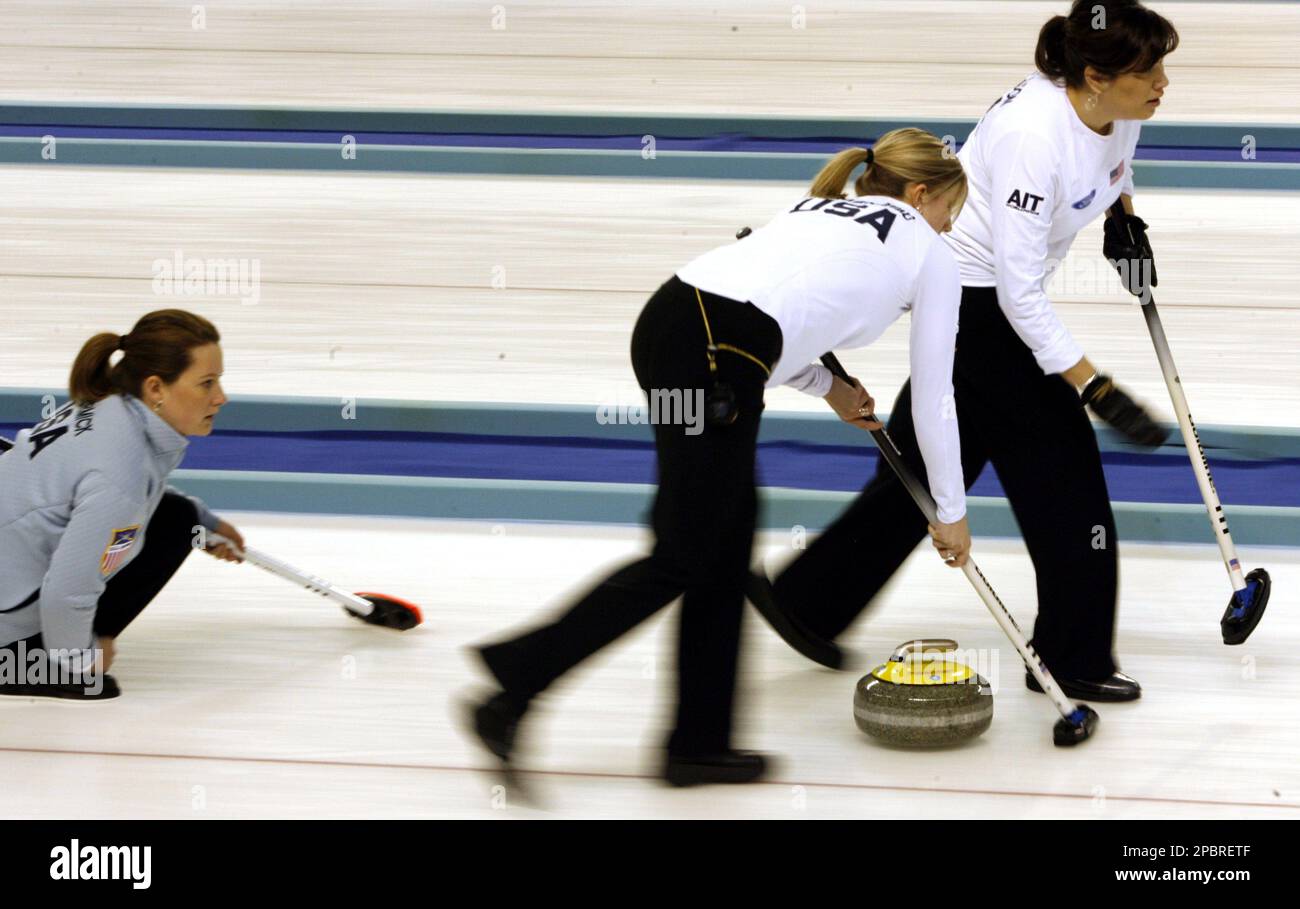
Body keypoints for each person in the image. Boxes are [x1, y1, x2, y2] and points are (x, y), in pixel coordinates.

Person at [467, 127, 972, 787]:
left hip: (672, 333)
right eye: (948, 217)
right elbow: (935, 398)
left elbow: (779, 314)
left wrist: (830, 386)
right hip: (714, 365)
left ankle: (699, 743)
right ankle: (516, 681)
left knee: (721, 543)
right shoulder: (930, 257)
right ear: (919, 193)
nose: (948, 231)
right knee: (688, 549)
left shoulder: (818, 207)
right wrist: (950, 509)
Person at [753, 0, 1177, 702]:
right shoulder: (1030, 137)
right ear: (1095, 77)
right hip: (975, 304)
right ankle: (1071, 658)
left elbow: (1114, 163)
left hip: (987, 302)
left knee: (925, 462)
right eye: (1149, 70)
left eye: (1163, 66)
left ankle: (809, 598)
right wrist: (1090, 384)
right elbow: (1017, 295)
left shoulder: (1121, 108)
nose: (1163, 82)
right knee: (1065, 479)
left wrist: (1123, 222)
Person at [0, 309, 244, 700]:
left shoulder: (109, 406)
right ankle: (28, 660)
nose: (221, 397)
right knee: (170, 526)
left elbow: (107, 494)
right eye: (206, 383)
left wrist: (204, 521)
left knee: (180, 518)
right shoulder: (120, 474)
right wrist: (80, 663)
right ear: (155, 389)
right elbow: (68, 589)